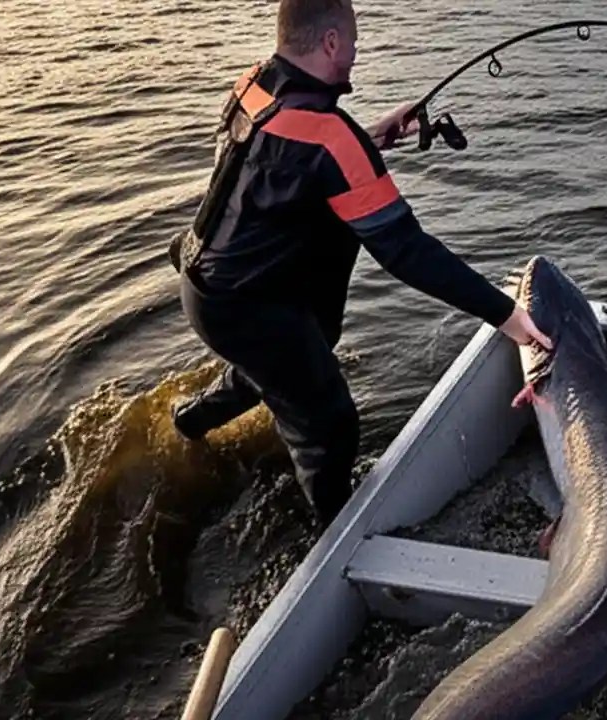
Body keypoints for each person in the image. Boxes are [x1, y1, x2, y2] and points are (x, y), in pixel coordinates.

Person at [168, 0, 552, 527]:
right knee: (330, 425)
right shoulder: (331, 139)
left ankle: (187, 424)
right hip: (249, 309)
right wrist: (509, 316)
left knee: (286, 362)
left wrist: (369, 139)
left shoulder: (252, 86)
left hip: (203, 282)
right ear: (329, 43)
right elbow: (407, 251)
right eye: (351, 40)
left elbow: (282, 166)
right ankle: (330, 536)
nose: (355, 52)